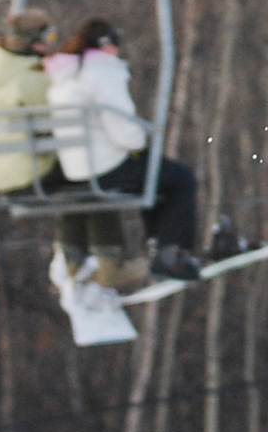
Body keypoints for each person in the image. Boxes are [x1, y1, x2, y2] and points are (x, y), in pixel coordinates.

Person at [44, 16, 223, 282]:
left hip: (76, 169)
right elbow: (123, 129)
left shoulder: (65, 77)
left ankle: (160, 245)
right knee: (179, 178)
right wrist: (139, 138)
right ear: (106, 45)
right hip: (105, 167)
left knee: (155, 173)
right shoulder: (103, 71)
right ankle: (170, 252)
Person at [0, 9, 59, 195]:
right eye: (50, 37)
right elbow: (52, 127)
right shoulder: (35, 79)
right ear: (34, 42)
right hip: (33, 173)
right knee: (95, 169)